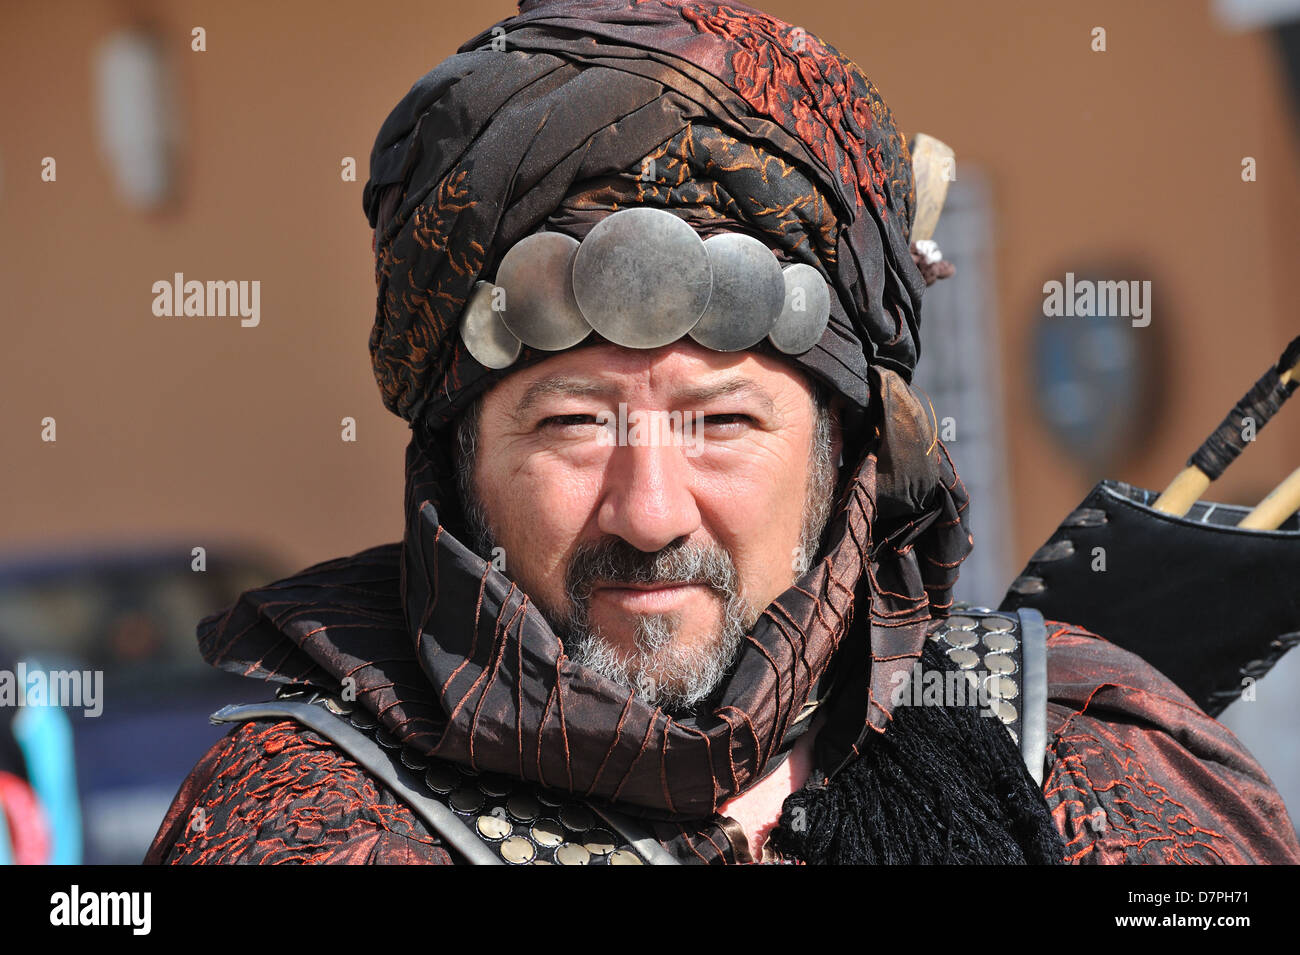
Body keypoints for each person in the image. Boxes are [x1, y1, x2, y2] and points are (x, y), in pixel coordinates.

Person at [145, 0, 1298, 865]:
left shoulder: (1099, 763)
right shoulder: (304, 826)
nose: (650, 513)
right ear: (457, 461)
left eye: (721, 421)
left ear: (844, 451)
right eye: (574, 422)